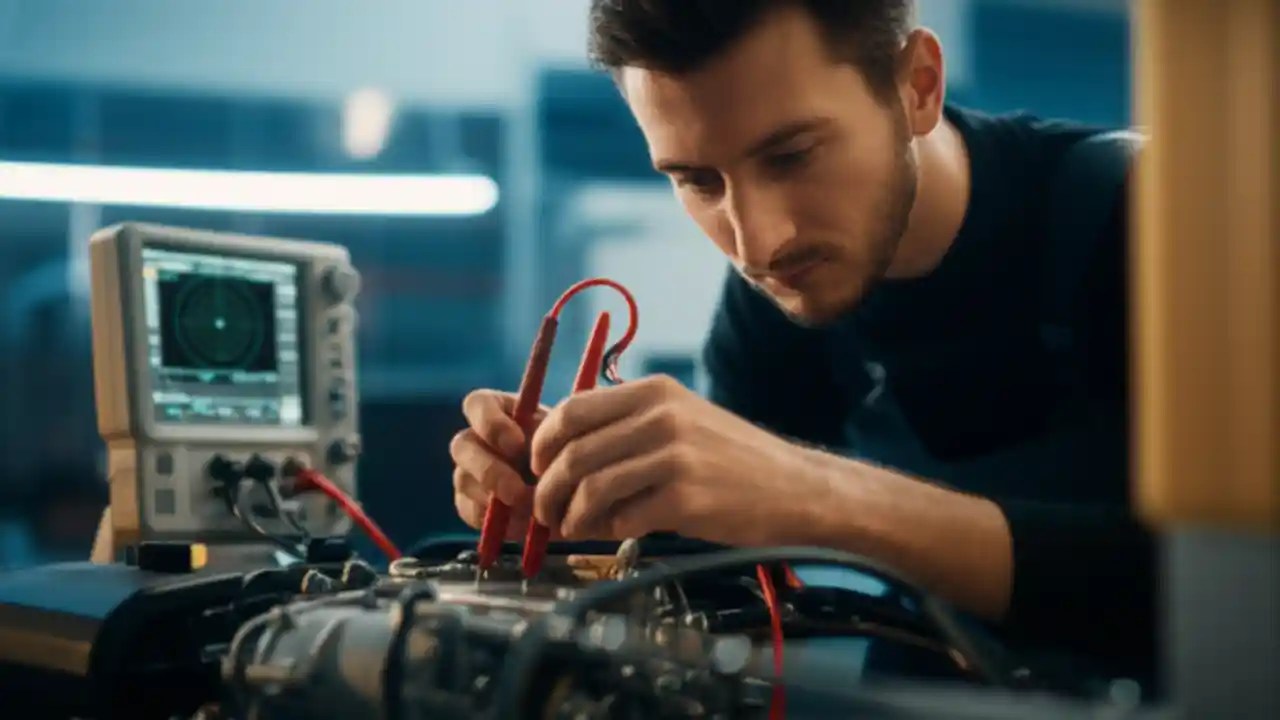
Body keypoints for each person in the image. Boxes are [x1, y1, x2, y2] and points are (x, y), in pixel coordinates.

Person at [449, 0, 1154, 684]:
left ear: (917, 86)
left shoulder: (1148, 225)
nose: (758, 243)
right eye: (698, 180)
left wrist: (817, 494)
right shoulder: (777, 298)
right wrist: (580, 509)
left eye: (790, 156)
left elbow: (1234, 589)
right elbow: (709, 569)